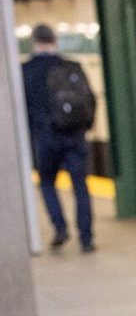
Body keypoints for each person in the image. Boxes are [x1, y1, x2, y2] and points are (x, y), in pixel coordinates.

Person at [21, 24, 96, 254]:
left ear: (34, 42)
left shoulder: (26, 70)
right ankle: (86, 238)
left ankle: (60, 228)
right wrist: (85, 128)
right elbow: (91, 100)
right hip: (75, 136)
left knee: (46, 182)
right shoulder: (72, 66)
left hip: (45, 137)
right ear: (54, 40)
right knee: (80, 186)